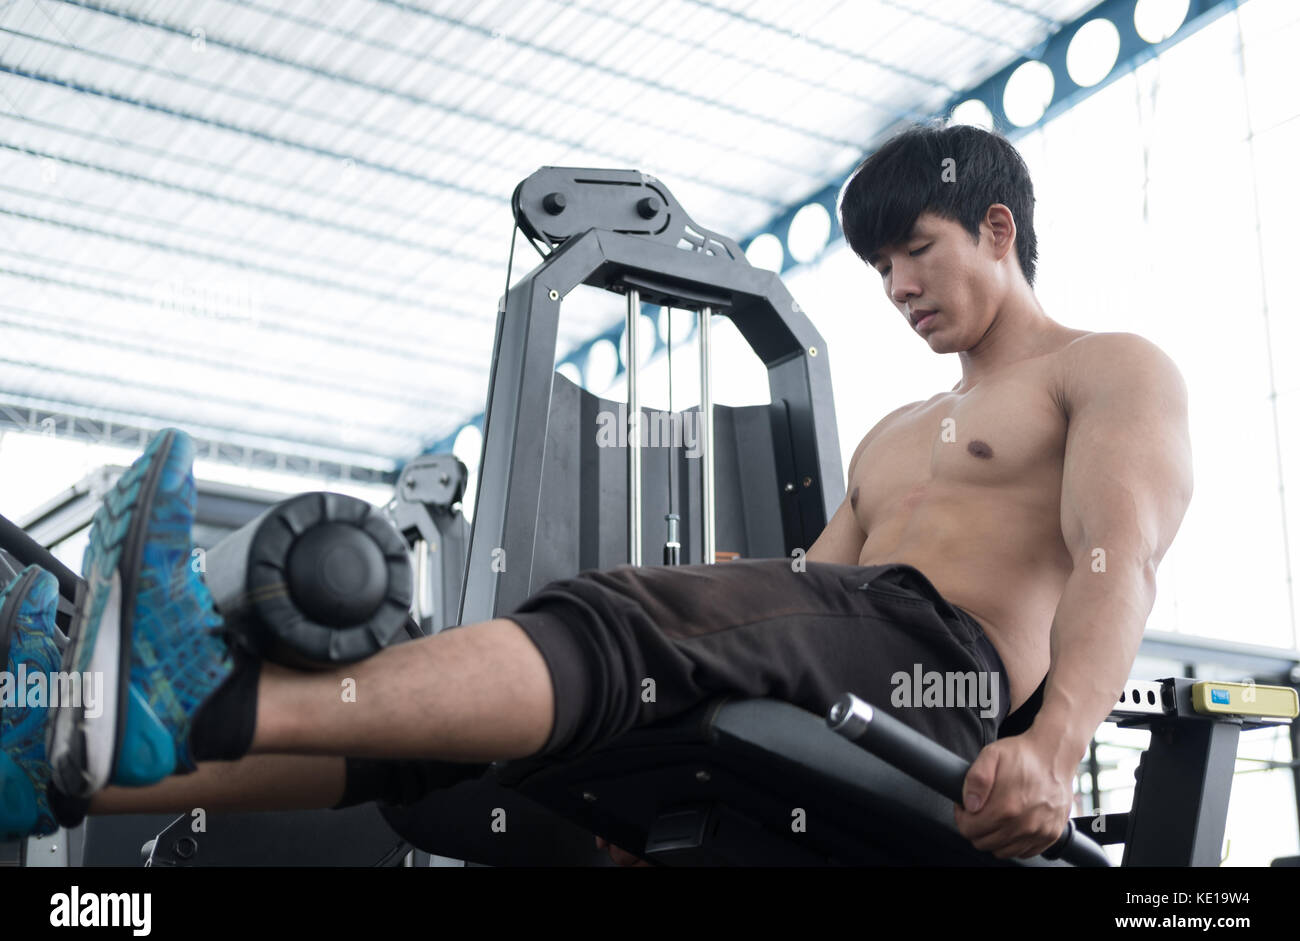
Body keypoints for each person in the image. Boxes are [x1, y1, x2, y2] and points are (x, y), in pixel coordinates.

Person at [0, 123, 1193, 864]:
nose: (895, 285)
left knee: (630, 620)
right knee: (475, 742)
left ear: (997, 228)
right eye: (880, 267)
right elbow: (815, 586)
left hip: (938, 676)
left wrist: (1053, 742)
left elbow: (1115, 557)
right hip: (844, 641)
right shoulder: (893, 430)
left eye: (916, 250)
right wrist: (725, 594)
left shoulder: (1104, 369)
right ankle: (80, 764)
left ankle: (195, 698)